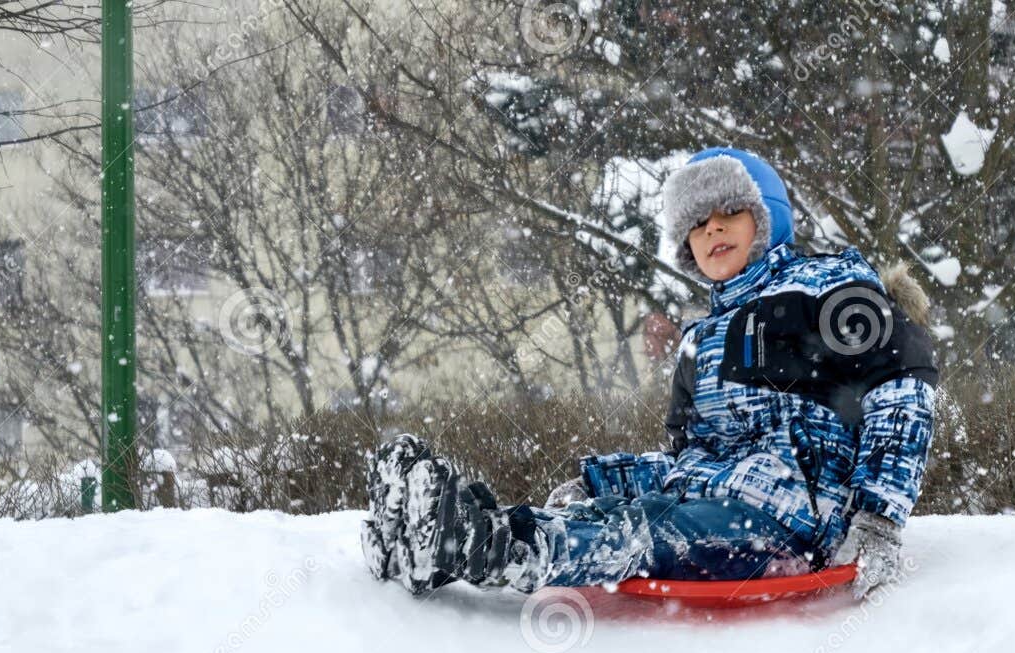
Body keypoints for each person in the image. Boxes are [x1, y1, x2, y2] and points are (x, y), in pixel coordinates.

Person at [361, 147, 938, 599]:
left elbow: (901, 389)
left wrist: (880, 515)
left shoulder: (823, 288)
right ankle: (436, 526)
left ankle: (478, 548)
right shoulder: (702, 342)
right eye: (698, 222)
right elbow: (691, 462)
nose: (714, 229)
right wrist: (603, 482)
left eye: (731, 212)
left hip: (795, 521)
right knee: (623, 517)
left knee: (642, 537)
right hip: (718, 507)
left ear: (767, 220)